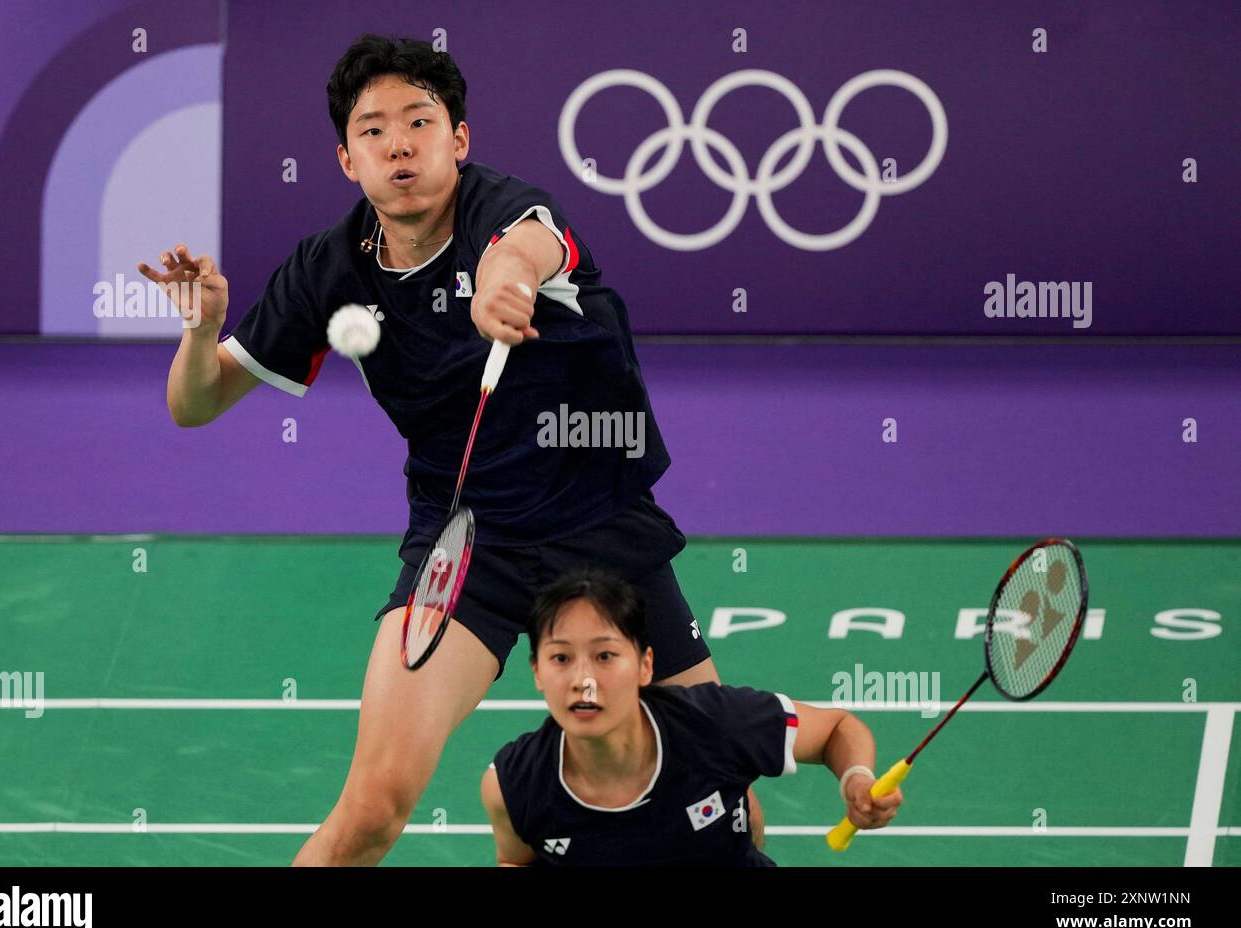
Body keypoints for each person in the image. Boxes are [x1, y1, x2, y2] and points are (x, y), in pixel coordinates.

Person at [141, 34, 765, 865]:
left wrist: (503, 286)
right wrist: (202, 328)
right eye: (374, 130)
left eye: (419, 121)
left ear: (458, 140)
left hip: (603, 527)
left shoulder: (506, 211)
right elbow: (197, 402)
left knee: (728, 803)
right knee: (369, 810)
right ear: (346, 158)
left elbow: (528, 246)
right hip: (467, 543)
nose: (398, 143)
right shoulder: (329, 271)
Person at [482, 568, 902, 865]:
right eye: (561, 658)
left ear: (646, 665)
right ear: (536, 671)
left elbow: (834, 729)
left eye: (605, 655)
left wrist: (857, 778)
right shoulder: (515, 784)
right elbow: (516, 861)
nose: (583, 681)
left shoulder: (718, 725)